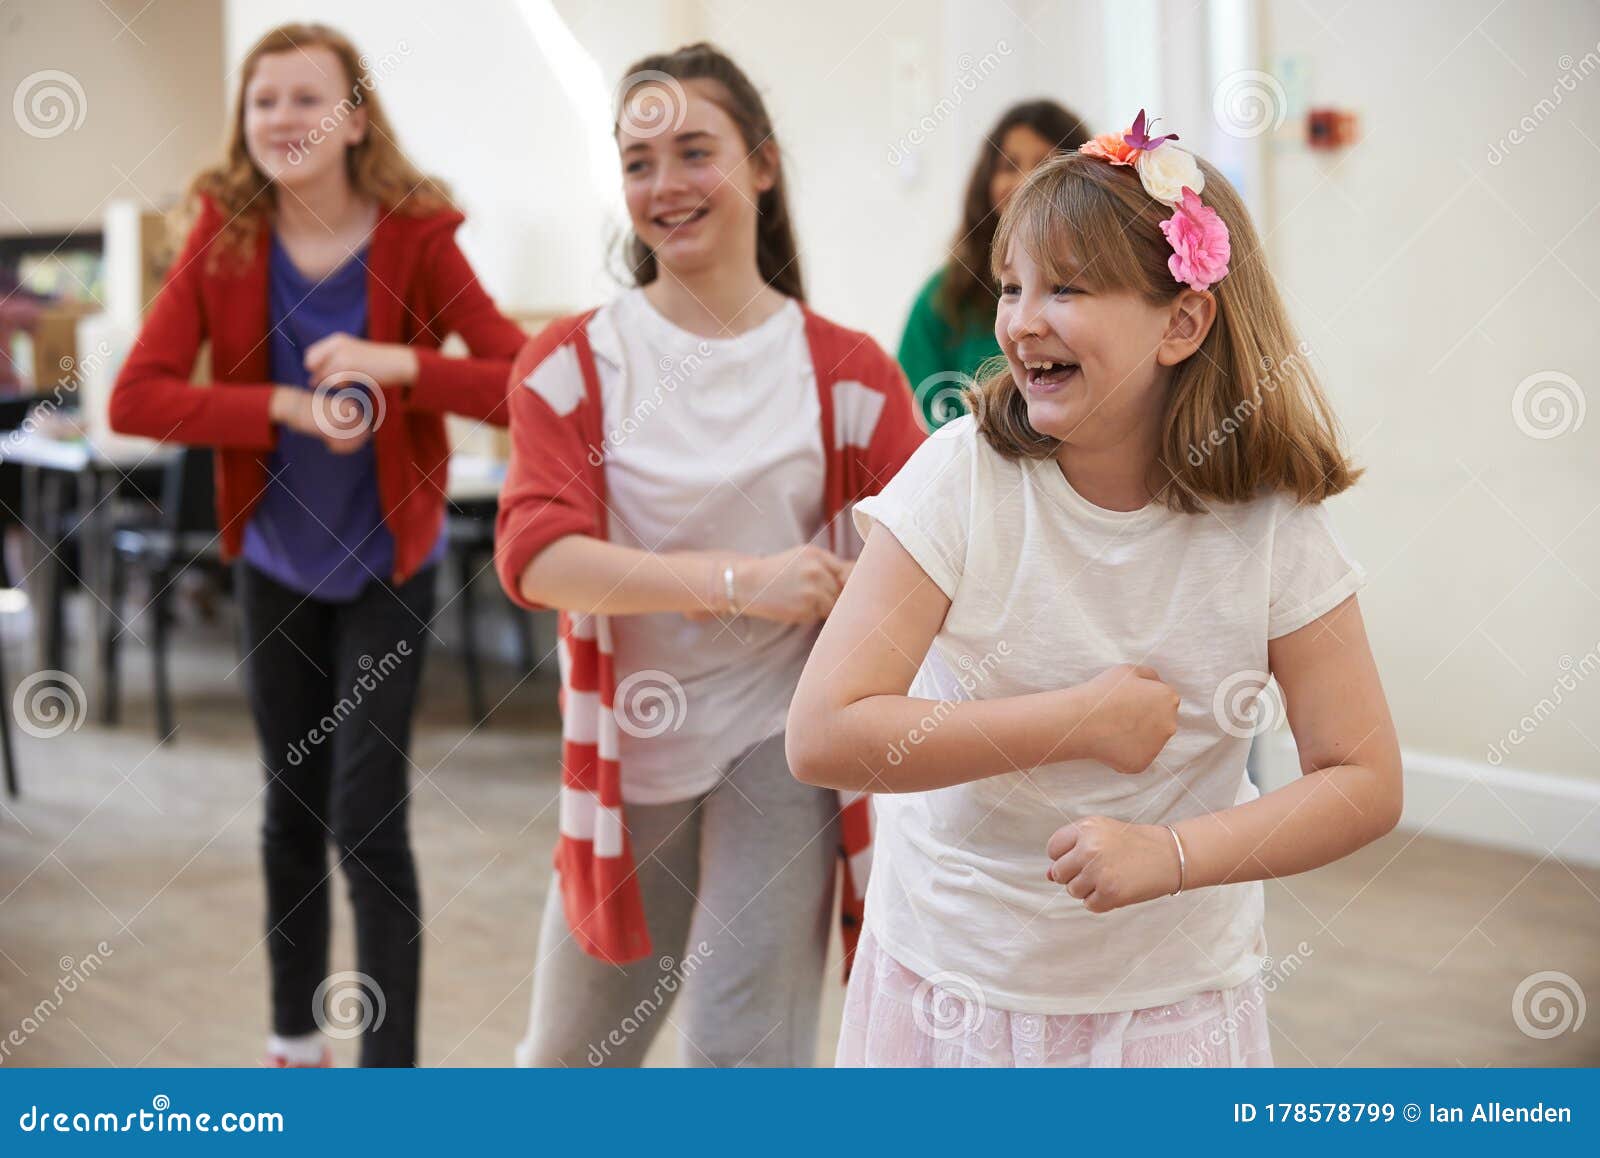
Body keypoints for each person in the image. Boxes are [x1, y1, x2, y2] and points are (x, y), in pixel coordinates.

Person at [788, 113, 1402, 1067]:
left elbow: (1362, 780)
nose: (1021, 320)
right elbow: (824, 733)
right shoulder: (963, 479)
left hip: (1171, 1002)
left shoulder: (1271, 518)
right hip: (957, 988)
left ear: (1184, 321)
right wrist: (1075, 720)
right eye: (1011, 286)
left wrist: (1174, 857)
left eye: (1066, 287)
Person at [492, 43, 923, 1067]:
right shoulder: (568, 365)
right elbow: (536, 556)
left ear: (762, 166)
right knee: (572, 1062)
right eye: (638, 163)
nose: (666, 186)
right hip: (624, 755)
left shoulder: (847, 373)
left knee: (744, 1060)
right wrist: (745, 583)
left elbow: (931, 561)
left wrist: (850, 588)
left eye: (695, 151)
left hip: (777, 746)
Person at [109, 22, 526, 1067]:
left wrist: (402, 365)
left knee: (367, 821)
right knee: (289, 812)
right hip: (275, 568)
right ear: (243, 123)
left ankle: (391, 1081)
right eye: (264, 101)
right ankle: (294, 1046)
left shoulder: (417, 234)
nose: (283, 120)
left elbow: (523, 383)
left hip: (390, 561)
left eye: (308, 99)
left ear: (353, 119)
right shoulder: (225, 231)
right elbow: (138, 396)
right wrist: (285, 408)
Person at [897, 100, 1089, 429]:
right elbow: (908, 416)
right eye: (1009, 166)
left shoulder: (1103, 284)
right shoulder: (943, 296)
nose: (1027, 181)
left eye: (1046, 164)